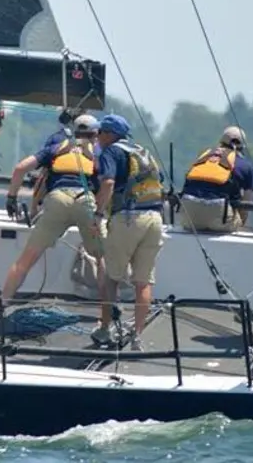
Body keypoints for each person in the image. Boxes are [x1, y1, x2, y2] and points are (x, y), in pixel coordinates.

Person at [0, 113, 102, 307]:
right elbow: (107, 184)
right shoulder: (99, 154)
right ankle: (109, 312)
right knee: (102, 259)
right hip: (85, 201)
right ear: (96, 134)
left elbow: (20, 168)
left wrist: (12, 197)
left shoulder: (56, 148)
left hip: (57, 200)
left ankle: (3, 304)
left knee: (25, 260)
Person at [92, 114, 165, 349]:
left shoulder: (111, 152)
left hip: (128, 218)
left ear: (109, 134)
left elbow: (108, 183)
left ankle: (105, 330)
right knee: (143, 282)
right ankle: (137, 337)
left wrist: (98, 213)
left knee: (111, 277)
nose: (97, 137)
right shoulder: (142, 152)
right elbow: (159, 180)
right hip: (154, 218)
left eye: (100, 132)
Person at [179, 126, 253, 233]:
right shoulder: (246, 166)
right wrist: (239, 224)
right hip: (219, 217)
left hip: (189, 216)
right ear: (242, 147)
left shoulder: (203, 157)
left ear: (220, 142)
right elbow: (246, 203)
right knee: (244, 226)